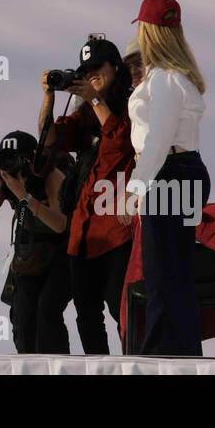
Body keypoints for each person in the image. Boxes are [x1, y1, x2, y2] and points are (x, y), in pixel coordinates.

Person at [125, 0, 210, 356]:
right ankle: (183, 351)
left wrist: (134, 188)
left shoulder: (162, 78)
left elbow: (158, 139)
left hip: (168, 170)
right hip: (186, 168)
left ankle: (159, 354)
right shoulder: (181, 78)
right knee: (176, 271)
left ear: (149, 32)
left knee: (161, 272)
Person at [45, 38, 135, 355]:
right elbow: (52, 141)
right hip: (83, 232)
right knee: (86, 315)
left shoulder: (132, 103)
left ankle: (135, 365)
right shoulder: (85, 113)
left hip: (118, 231)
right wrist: (49, 96)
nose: (92, 76)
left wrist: (96, 101)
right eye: (86, 72)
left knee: (121, 309)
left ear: (114, 67)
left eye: (98, 69)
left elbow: (120, 144)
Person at [0, 130, 72, 354]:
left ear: (32, 160)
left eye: (16, 160)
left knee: (47, 311)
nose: (12, 167)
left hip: (62, 249)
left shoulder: (50, 174)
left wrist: (25, 197)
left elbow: (61, 225)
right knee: (23, 316)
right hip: (30, 251)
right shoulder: (7, 178)